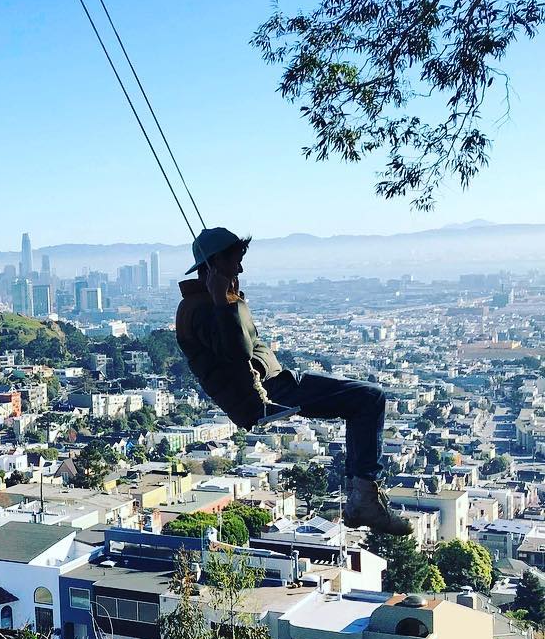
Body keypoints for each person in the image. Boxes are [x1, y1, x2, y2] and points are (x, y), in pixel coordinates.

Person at [175, 226, 411, 536]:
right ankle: (364, 499)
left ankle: (363, 495)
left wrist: (225, 298)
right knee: (368, 399)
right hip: (267, 391)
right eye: (235, 260)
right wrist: (223, 302)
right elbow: (237, 352)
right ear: (216, 263)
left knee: (366, 399)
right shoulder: (201, 308)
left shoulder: (213, 300)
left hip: (278, 379)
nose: (241, 268)